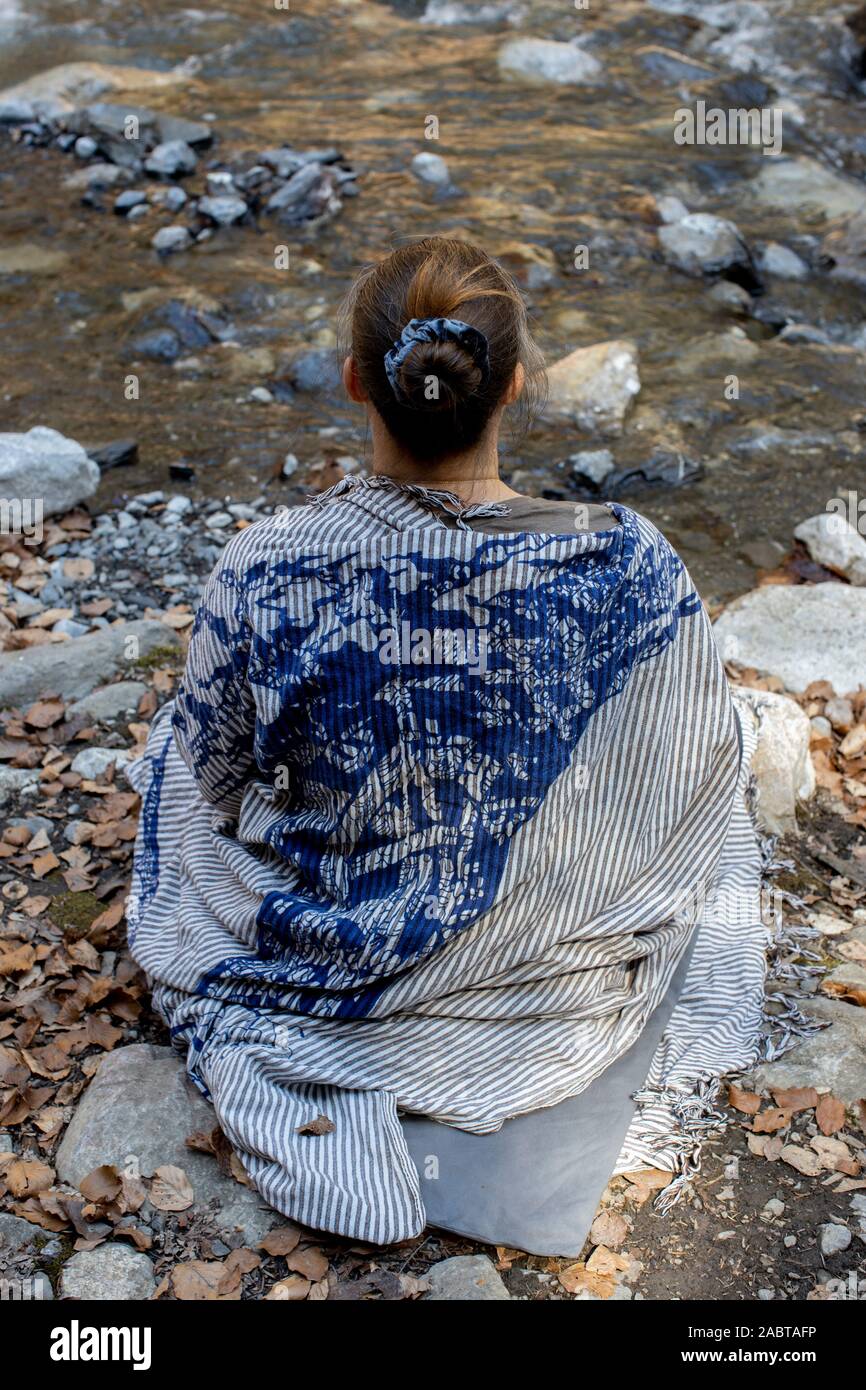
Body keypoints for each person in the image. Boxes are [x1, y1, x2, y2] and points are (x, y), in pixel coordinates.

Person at [127, 236, 766, 1254]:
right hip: (546, 963)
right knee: (714, 766)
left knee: (172, 744)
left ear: (352, 381)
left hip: (321, 937)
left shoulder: (263, 567)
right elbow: (686, 763)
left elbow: (216, 780)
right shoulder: (623, 560)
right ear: (512, 386)